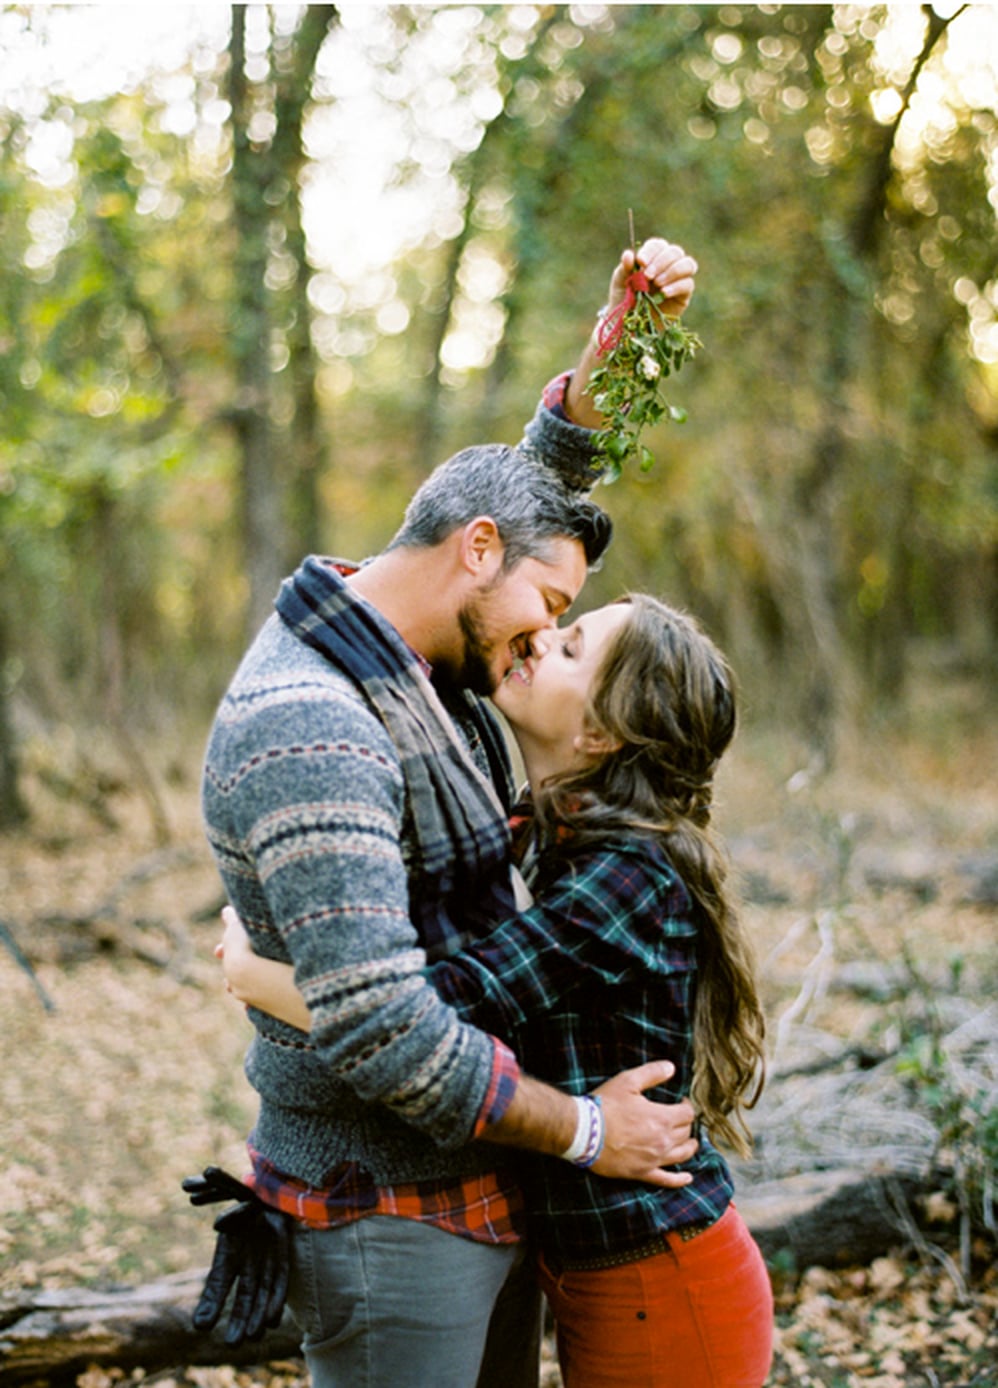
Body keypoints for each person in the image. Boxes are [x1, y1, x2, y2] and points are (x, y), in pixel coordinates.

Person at [196, 239, 704, 1388]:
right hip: (389, 1213)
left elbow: (528, 488)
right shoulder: (311, 723)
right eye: (548, 608)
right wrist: (587, 1129)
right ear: (474, 552)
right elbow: (388, 1034)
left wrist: (622, 340)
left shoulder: (415, 641)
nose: (543, 641)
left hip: (488, 1174)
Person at [220, 594, 774, 1387]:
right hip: (602, 1273)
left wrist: (258, 978)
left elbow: (428, 1012)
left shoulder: (624, 878)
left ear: (599, 733)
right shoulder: (539, 831)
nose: (542, 638)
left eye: (571, 647)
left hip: (661, 1277)